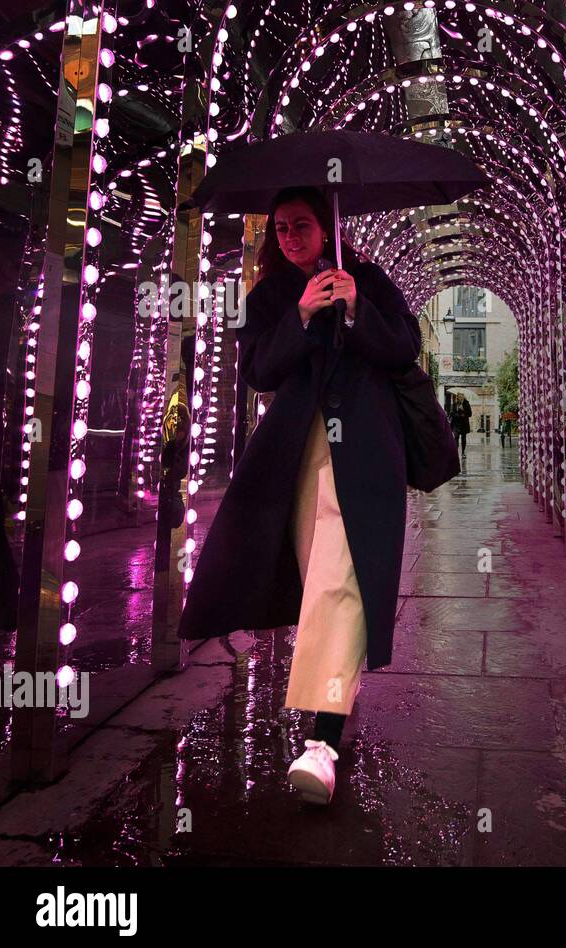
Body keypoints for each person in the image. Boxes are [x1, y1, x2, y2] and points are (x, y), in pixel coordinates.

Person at [179, 185, 422, 805]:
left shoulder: (365, 277)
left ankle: (322, 745)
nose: (290, 237)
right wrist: (303, 316)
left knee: (341, 580)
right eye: (281, 228)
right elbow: (258, 369)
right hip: (296, 456)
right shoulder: (268, 297)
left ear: (326, 227)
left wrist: (356, 307)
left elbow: (403, 347)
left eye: (302, 225)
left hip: (365, 452)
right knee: (319, 579)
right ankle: (338, 679)